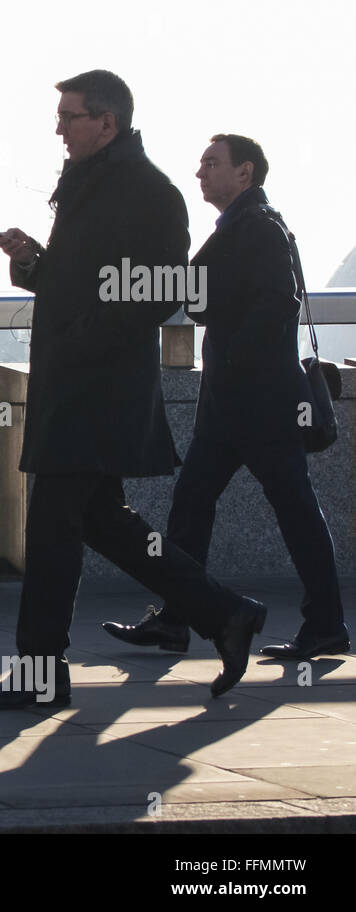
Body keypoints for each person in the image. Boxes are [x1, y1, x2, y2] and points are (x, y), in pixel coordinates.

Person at [0, 71, 266, 709]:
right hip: (75, 385)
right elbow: (80, 284)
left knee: (52, 527)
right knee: (104, 522)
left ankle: (43, 673)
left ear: (108, 122)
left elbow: (153, 294)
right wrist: (31, 261)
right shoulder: (89, 187)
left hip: (97, 391)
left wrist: (79, 340)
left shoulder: (149, 193)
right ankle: (226, 613)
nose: (58, 129)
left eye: (70, 117)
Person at [103, 135, 349, 660]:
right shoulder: (240, 227)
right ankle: (176, 617)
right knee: (194, 503)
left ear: (246, 172)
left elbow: (279, 300)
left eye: (212, 164)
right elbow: (208, 296)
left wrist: (235, 359)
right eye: (201, 164)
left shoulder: (259, 227)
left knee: (294, 510)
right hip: (232, 404)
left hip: (261, 404)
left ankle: (326, 625)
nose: (201, 173)